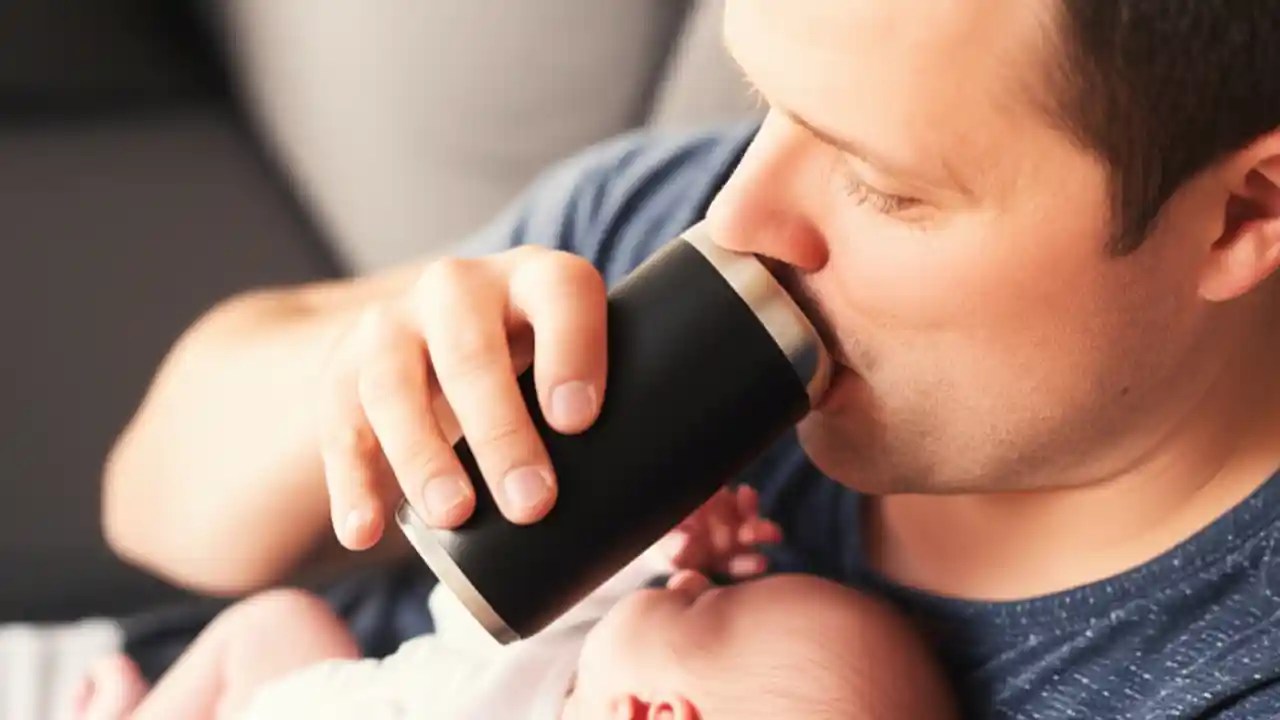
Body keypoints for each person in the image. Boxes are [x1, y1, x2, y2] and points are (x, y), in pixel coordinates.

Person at [103, 0, 1280, 716]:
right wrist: (382, 372)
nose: (735, 217)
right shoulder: (671, 228)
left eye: (881, 186)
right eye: (766, 99)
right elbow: (154, 510)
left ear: (1244, 210)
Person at [76, 487, 956, 720]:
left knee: (271, 625)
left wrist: (658, 543)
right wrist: (672, 546)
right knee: (282, 627)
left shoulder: (525, 675)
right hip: (314, 694)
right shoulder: (575, 677)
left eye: (704, 606)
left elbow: (508, 596)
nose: (691, 582)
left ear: (653, 714)